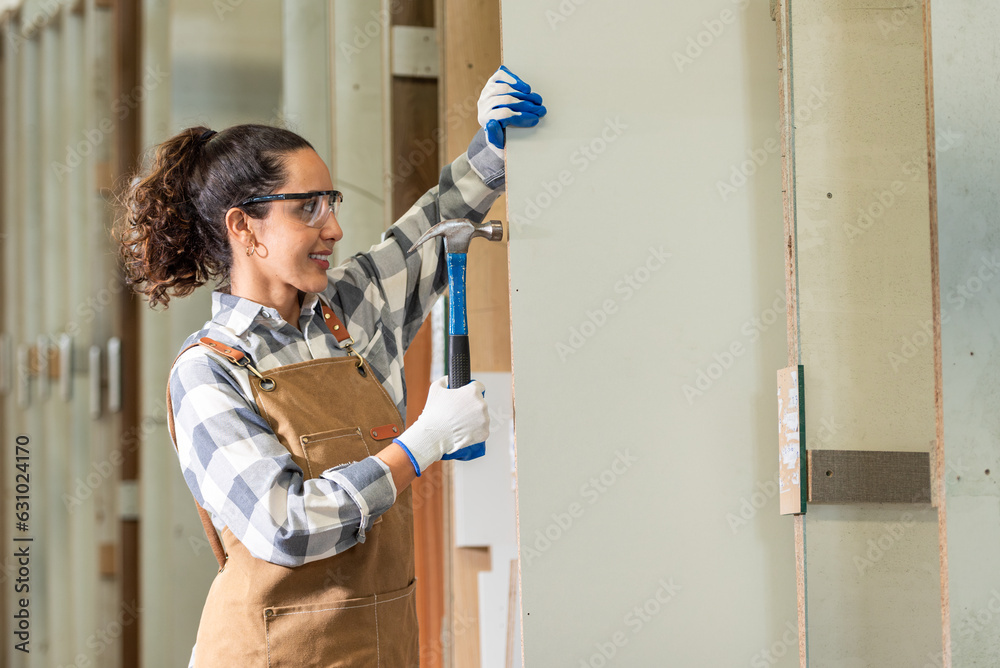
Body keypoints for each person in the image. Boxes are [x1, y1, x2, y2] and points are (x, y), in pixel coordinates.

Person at [113, 66, 545, 667]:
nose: (334, 228)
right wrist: (419, 445)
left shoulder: (350, 309)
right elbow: (284, 524)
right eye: (308, 208)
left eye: (331, 203)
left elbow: (431, 228)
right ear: (244, 226)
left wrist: (492, 148)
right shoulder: (207, 373)